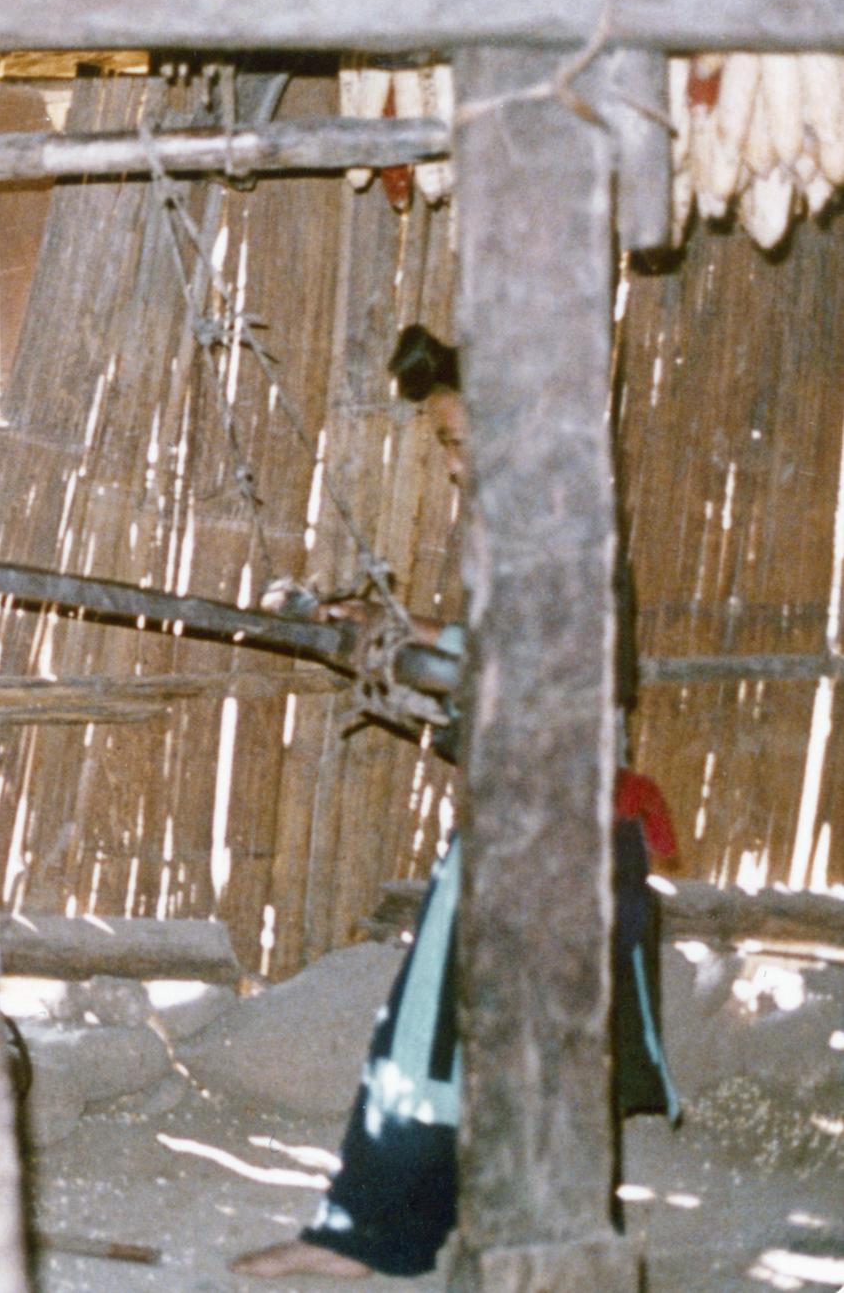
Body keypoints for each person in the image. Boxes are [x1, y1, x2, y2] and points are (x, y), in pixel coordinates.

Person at [230, 325, 679, 1280]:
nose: (453, 463)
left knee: (527, 1051)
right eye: (445, 443)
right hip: (518, 819)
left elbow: (548, 670)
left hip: (555, 831)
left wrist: (432, 659)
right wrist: (389, 626)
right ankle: (372, 1233)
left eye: (461, 440)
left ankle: (508, 1244)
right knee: (433, 1036)